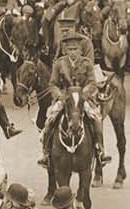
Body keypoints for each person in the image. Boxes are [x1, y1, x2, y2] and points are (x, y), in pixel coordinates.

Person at [38, 31, 110, 172]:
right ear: (65, 50)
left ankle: (100, 151)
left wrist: (82, 95)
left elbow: (92, 83)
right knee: (49, 120)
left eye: (75, 49)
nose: (73, 52)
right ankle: (45, 153)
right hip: (64, 97)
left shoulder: (87, 64)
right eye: (70, 49)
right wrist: (60, 96)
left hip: (82, 98)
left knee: (96, 119)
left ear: (80, 50)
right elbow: (52, 84)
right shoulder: (59, 64)